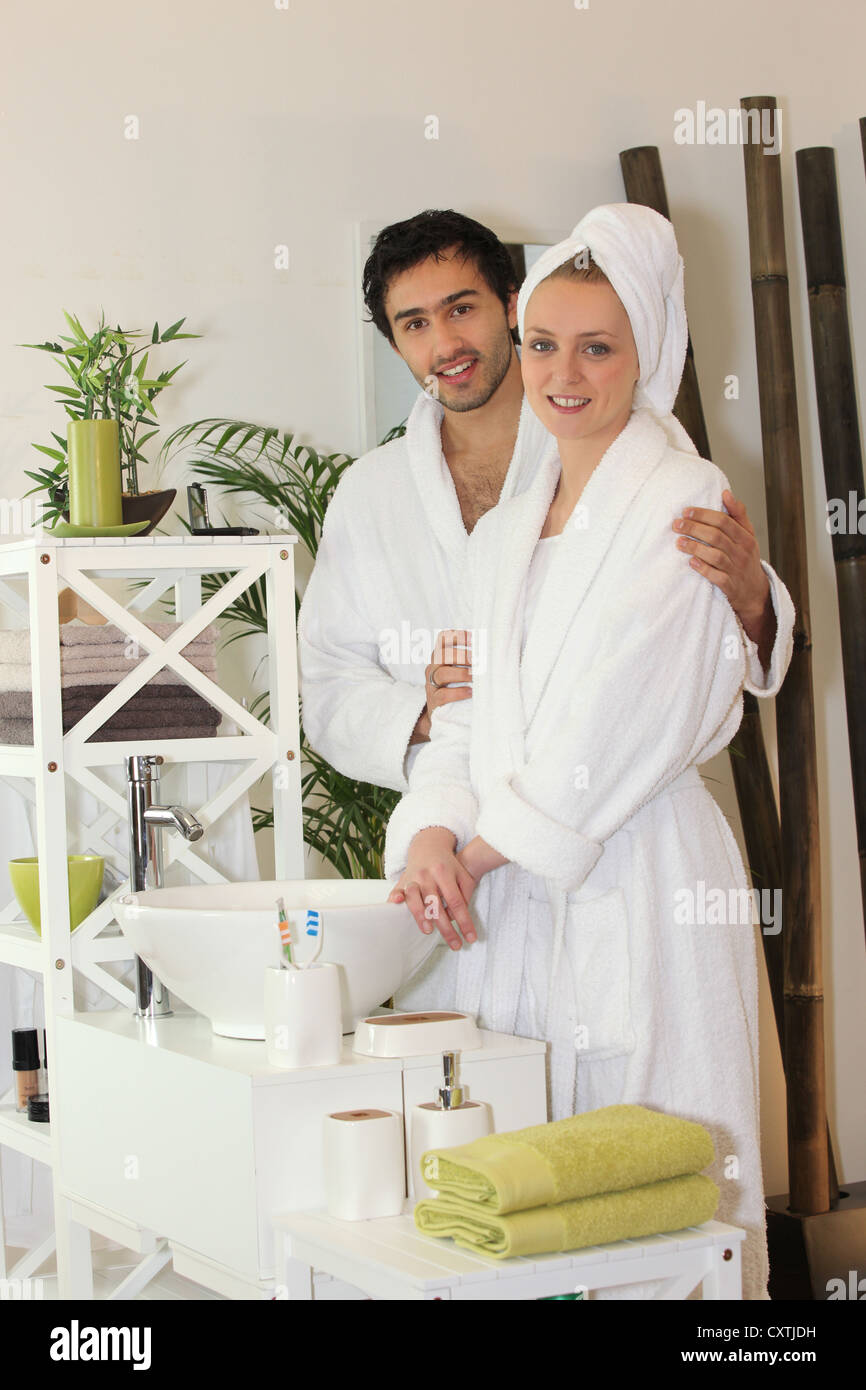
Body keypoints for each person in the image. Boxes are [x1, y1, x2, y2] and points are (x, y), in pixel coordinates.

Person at [383, 204, 794, 1301]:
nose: (563, 373)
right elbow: (464, 711)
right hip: (514, 895)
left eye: (597, 346)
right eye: (544, 342)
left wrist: (474, 857)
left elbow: (614, 723)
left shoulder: (682, 499)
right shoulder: (505, 531)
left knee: (663, 1185)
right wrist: (428, 829)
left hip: (642, 878)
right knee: (533, 1187)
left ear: (646, 349)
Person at [297, 211, 791, 799]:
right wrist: (433, 718)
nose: (446, 344)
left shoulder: (620, 451)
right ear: (395, 341)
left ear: (511, 304)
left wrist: (755, 602)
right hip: (449, 818)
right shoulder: (369, 493)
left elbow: (691, 655)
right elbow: (329, 680)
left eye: (461, 309)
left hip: (609, 811)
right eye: (415, 324)